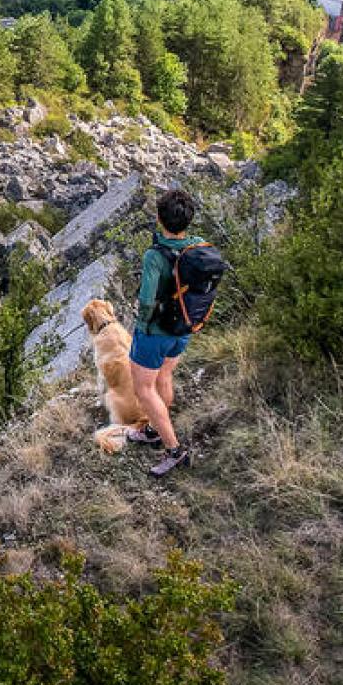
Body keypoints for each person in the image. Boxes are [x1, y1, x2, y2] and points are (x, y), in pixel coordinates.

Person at [127, 186, 203, 477]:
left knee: (144, 389)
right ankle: (153, 430)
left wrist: (142, 324)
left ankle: (175, 450)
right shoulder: (197, 247)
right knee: (163, 377)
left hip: (155, 332)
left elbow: (146, 300)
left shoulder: (155, 256)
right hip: (183, 328)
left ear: (160, 219)